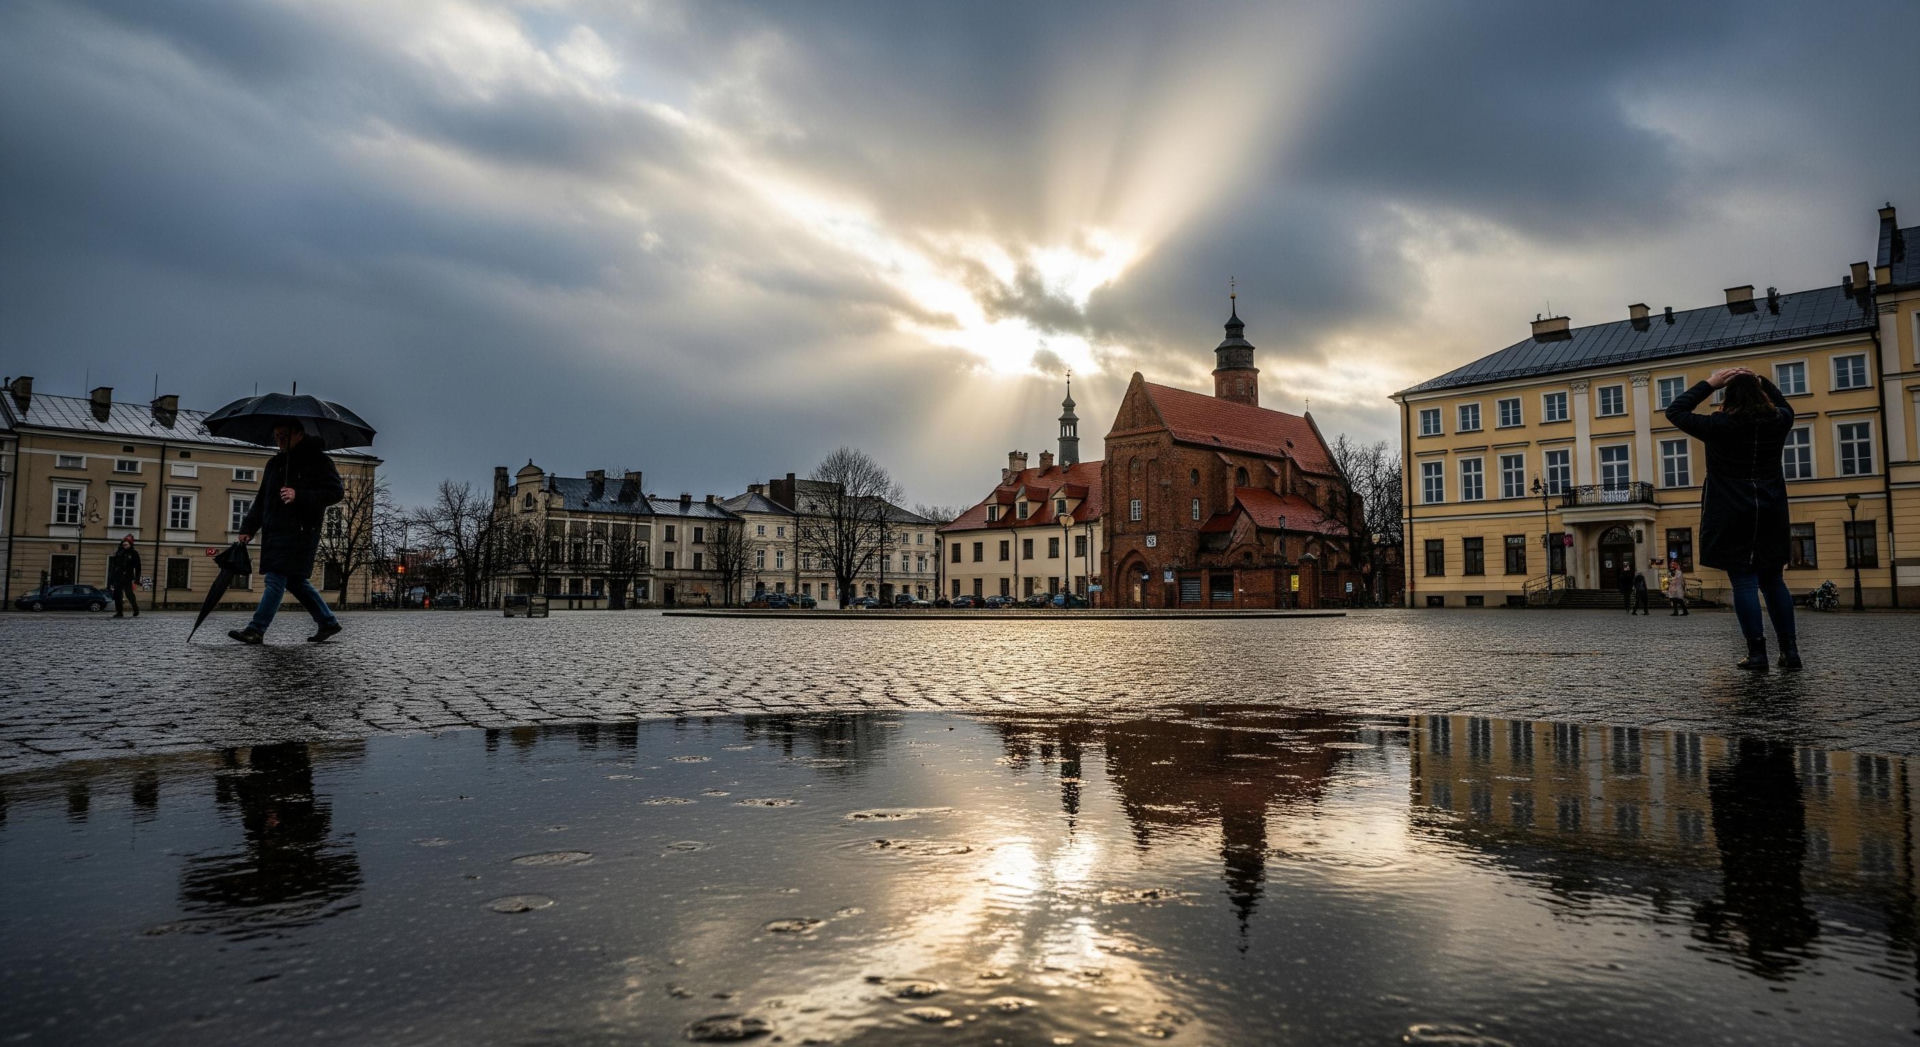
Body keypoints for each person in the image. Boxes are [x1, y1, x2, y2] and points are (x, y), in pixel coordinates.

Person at [1664, 366, 1798, 669]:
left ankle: (1757, 652)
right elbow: (1787, 406)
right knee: (1774, 581)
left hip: (1731, 510)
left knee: (1744, 582)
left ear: (1728, 397)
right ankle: (1790, 652)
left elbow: (1676, 410)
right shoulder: (1778, 421)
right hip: (1771, 509)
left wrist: (1710, 383)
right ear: (1761, 396)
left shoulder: (1719, 425)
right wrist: (1762, 381)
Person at [228, 422, 345, 645]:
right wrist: (248, 528)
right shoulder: (274, 463)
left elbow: (335, 492)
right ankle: (327, 622)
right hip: (275, 532)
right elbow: (263, 499)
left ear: (299, 434)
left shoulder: (318, 460)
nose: (279, 441)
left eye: (284, 436)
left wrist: (298, 495)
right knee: (295, 581)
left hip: (300, 532)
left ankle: (256, 629)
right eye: (277, 436)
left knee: (275, 578)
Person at [108, 534, 142, 617]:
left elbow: (138, 567)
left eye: (126, 544)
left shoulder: (134, 553)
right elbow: (113, 566)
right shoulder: (119, 553)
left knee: (129, 594)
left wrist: (137, 578)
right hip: (118, 576)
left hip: (128, 576)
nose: (124, 546)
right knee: (117, 595)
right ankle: (119, 612)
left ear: (130, 544)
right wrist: (111, 579)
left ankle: (135, 609)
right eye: (123, 544)